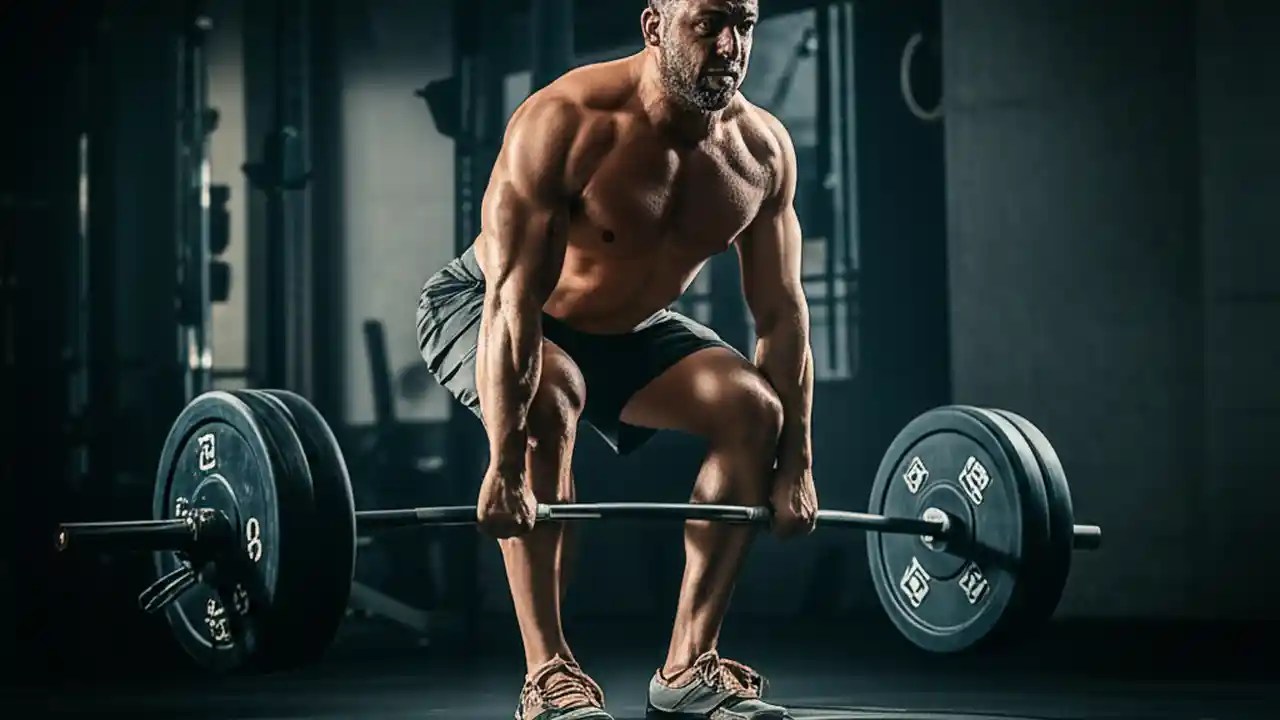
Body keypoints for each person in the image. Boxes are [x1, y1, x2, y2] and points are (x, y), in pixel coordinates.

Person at [416, 1, 816, 717]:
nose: (730, 46)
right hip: (489, 302)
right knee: (551, 393)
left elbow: (782, 319)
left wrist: (798, 466)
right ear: (655, 25)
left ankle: (689, 666)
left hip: (627, 326)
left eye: (745, 24)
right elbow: (513, 303)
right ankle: (549, 675)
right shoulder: (566, 122)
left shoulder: (760, 153)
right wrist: (505, 466)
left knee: (754, 411)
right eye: (707, 23)